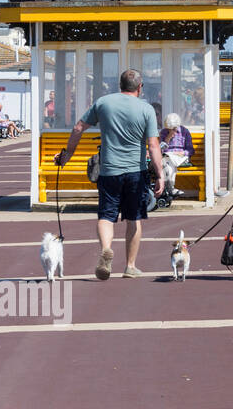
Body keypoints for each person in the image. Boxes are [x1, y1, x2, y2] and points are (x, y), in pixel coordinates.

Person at [52, 69, 164, 280]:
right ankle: (130, 266)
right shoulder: (146, 109)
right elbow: (153, 145)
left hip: (109, 170)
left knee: (106, 216)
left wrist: (66, 155)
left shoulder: (103, 103)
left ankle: (106, 248)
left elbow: (78, 128)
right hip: (135, 172)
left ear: (119, 86)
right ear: (140, 87)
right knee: (134, 218)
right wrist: (160, 175)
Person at [158, 113, 195, 198]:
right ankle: (171, 189)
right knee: (167, 159)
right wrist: (168, 137)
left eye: (173, 128)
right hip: (168, 157)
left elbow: (190, 150)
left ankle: (168, 188)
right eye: (169, 128)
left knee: (166, 161)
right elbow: (161, 149)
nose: (171, 130)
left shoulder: (184, 131)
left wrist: (182, 153)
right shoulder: (164, 132)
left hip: (181, 157)